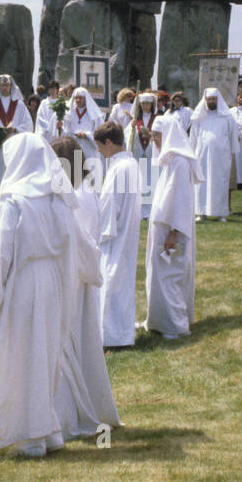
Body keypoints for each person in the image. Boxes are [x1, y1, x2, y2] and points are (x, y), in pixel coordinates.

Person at [0, 133, 83, 457]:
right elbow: (69, 243)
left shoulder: (14, 200)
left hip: (22, 282)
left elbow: (1, 252)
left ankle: (29, 436)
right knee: (44, 354)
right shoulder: (57, 197)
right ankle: (48, 430)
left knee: (17, 354)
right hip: (51, 281)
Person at [49, 135, 122, 439]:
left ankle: (70, 410)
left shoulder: (79, 194)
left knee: (71, 340)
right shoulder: (79, 190)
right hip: (76, 273)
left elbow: (80, 239)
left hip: (76, 276)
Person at [142, 112, 200, 339]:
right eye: (152, 134)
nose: (153, 139)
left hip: (172, 230)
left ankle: (175, 327)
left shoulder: (179, 163)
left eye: (157, 134)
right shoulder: (169, 161)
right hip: (163, 227)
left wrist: (173, 233)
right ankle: (158, 320)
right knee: (159, 274)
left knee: (170, 275)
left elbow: (180, 201)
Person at [94, 121, 142, 347]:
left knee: (111, 282)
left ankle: (111, 336)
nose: (98, 151)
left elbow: (110, 205)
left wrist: (98, 231)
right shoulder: (130, 164)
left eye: (99, 146)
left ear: (109, 143)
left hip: (114, 233)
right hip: (125, 229)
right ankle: (120, 332)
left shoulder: (119, 168)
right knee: (121, 283)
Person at [0, 74, 34, 211]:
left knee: (14, 172)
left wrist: (15, 129)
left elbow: (28, 124)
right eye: (2, 85)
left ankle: (15, 202)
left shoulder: (19, 105)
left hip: (15, 142)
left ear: (11, 86)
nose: (5, 87)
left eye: (7, 85)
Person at [189, 88, 238, 222]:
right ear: (205, 100)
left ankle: (221, 213)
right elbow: (193, 137)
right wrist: (191, 152)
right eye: (209, 99)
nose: (211, 102)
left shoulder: (227, 116)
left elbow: (233, 135)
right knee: (201, 183)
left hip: (221, 156)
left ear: (218, 100)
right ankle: (201, 212)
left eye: (213, 99)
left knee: (220, 183)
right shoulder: (199, 117)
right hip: (202, 155)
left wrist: (234, 151)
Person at [127, 91, 161, 218]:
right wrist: (131, 128)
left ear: (152, 105)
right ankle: (139, 209)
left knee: (151, 180)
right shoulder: (136, 120)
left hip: (151, 152)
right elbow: (128, 137)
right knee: (139, 181)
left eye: (148, 104)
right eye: (143, 104)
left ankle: (151, 209)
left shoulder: (157, 119)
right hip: (138, 152)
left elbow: (162, 135)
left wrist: (151, 135)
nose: (145, 106)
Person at [63, 86, 104, 168]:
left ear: (86, 99)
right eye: (76, 98)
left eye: (80, 98)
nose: (78, 100)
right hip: (74, 145)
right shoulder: (69, 112)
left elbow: (99, 131)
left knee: (88, 169)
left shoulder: (94, 113)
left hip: (89, 146)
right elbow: (65, 130)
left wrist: (87, 135)